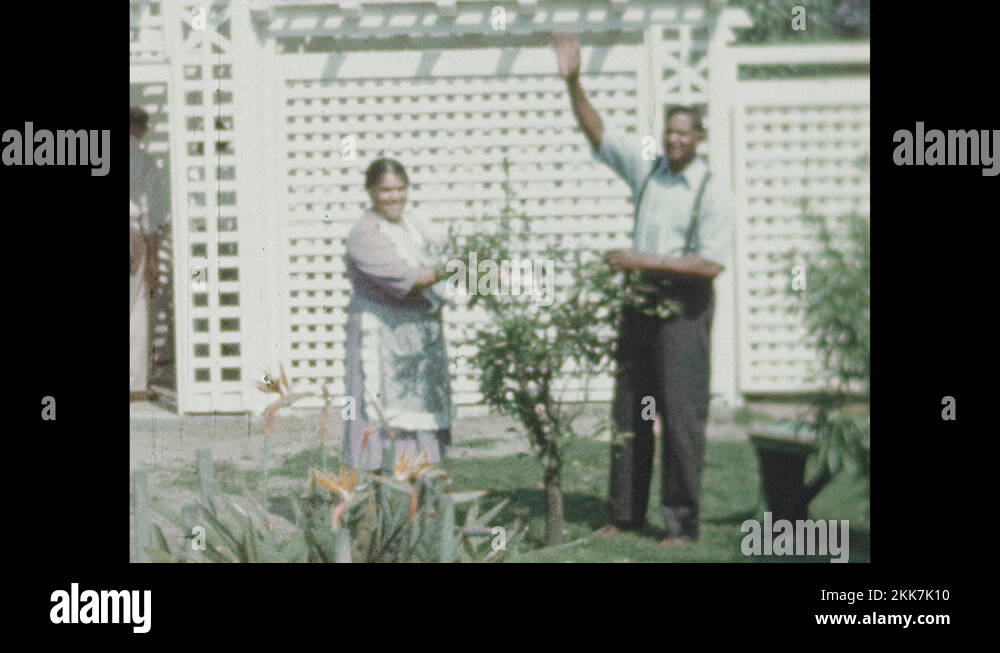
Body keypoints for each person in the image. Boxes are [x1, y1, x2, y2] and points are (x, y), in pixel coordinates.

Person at [553, 32, 734, 545]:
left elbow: (711, 264)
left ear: (698, 138)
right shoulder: (649, 170)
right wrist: (573, 82)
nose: (674, 140)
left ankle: (681, 523)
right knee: (631, 408)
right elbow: (600, 135)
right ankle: (625, 513)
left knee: (678, 415)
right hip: (639, 302)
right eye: (669, 132)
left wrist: (641, 260)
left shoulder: (712, 190)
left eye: (684, 134)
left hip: (684, 306)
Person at [342, 158, 454, 471]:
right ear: (370, 191)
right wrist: (462, 266)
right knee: (378, 409)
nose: (394, 197)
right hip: (380, 330)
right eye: (386, 190)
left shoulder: (416, 223)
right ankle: (373, 496)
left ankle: (421, 493)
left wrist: (483, 272)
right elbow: (410, 277)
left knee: (421, 410)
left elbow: (443, 257)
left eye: (400, 189)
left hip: (418, 334)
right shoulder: (365, 234)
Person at [130, 106, 169, 402]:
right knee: (136, 310)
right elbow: (150, 215)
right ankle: (135, 384)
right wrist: (153, 258)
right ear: (140, 129)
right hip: (133, 233)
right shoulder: (143, 160)